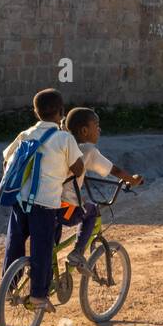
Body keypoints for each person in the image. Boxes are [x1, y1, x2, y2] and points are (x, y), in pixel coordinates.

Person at [1, 89, 85, 313]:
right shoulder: (64, 138)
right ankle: (38, 294)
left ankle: (8, 287)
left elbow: (6, 157)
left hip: (19, 200)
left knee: (15, 242)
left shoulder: (26, 133)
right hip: (45, 204)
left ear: (36, 112)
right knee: (43, 247)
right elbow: (78, 168)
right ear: (62, 112)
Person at [59, 108, 144, 272]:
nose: (99, 129)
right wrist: (133, 180)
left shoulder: (64, 144)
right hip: (65, 209)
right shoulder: (88, 150)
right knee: (91, 210)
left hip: (49, 203)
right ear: (84, 131)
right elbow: (115, 171)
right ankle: (77, 252)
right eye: (96, 125)